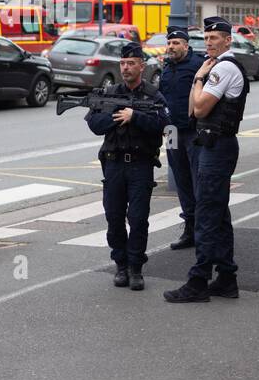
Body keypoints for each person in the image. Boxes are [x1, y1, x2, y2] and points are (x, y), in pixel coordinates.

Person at [163, 17, 249, 303]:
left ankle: (198, 281)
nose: (209, 42)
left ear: (228, 40)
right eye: (207, 38)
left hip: (218, 146)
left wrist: (199, 78)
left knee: (207, 215)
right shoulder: (211, 66)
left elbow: (199, 109)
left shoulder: (224, 68)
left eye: (215, 38)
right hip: (209, 144)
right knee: (218, 213)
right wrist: (200, 77)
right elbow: (191, 109)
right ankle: (226, 278)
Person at [85, 42, 171, 291]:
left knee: (138, 218)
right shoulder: (109, 92)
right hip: (112, 165)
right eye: (122, 63)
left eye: (131, 63)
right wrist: (117, 117)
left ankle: (136, 269)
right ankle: (120, 266)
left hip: (140, 166)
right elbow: (94, 124)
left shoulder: (153, 95)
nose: (126, 68)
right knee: (113, 217)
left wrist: (135, 117)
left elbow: (165, 123)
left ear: (141, 66)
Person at [156, 27, 206, 250]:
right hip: (172, 132)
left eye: (176, 43)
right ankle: (189, 228)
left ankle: (203, 230)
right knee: (181, 180)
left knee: (198, 180)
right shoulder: (167, 67)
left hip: (192, 131)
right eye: (170, 43)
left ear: (186, 45)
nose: (171, 47)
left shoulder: (198, 65)